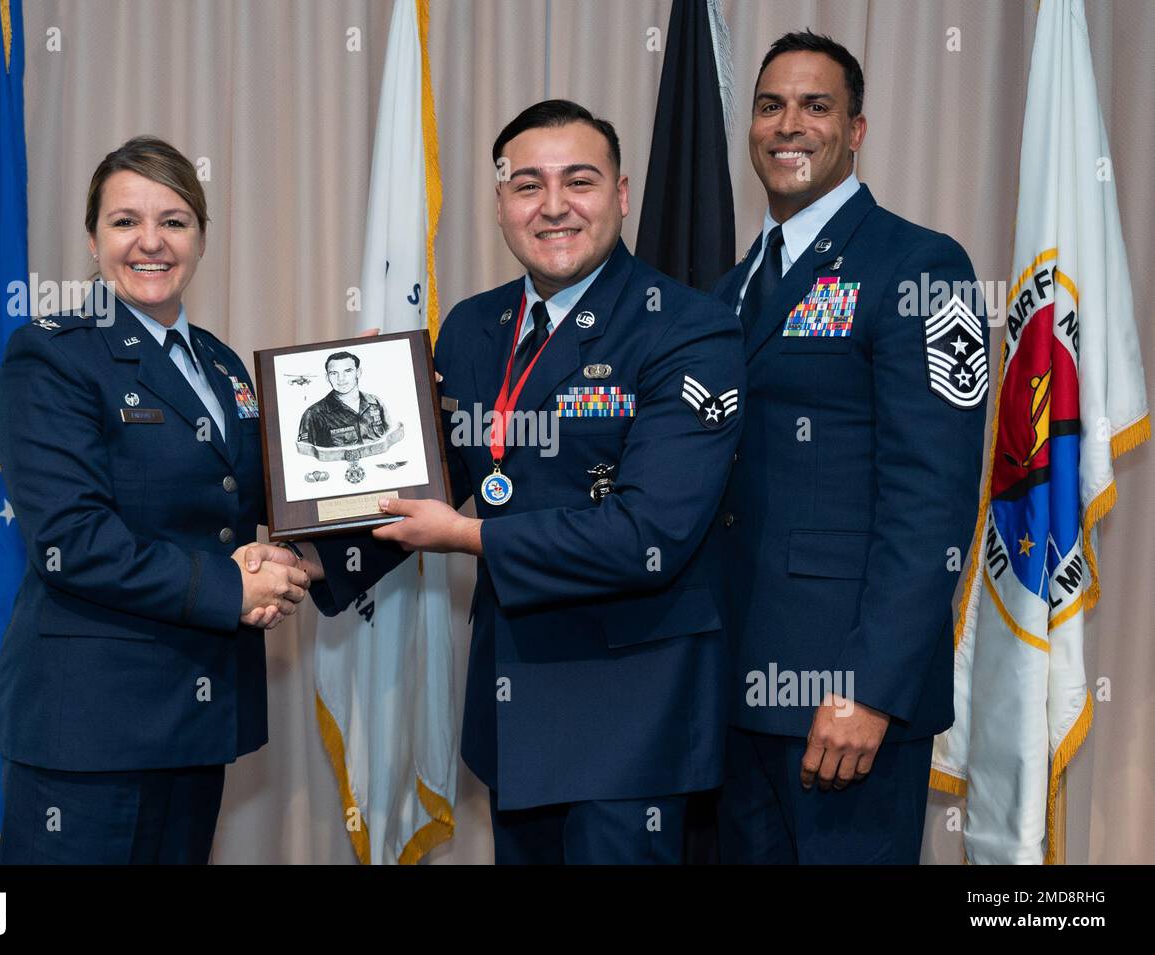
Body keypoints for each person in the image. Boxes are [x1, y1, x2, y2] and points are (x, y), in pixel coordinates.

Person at [294, 100, 745, 864]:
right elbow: (432, 484)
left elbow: (650, 537)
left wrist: (468, 537)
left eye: (581, 181)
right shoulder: (474, 325)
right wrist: (355, 461)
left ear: (623, 193)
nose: (555, 205)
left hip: (631, 708)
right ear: (500, 203)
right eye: (527, 184)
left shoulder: (686, 327)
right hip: (514, 696)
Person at [710, 32, 988, 863]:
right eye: (770, 105)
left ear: (857, 129)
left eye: (814, 105)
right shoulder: (731, 288)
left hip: (844, 700)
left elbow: (932, 497)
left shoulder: (919, 265)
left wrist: (869, 686)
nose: (787, 124)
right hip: (734, 693)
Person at [0, 136, 310, 864]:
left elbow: (258, 498)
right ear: (92, 238)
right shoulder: (54, 353)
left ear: (200, 237)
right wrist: (232, 584)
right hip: (92, 723)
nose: (150, 242)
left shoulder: (223, 364)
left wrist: (373, 414)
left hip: (197, 711)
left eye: (173, 220)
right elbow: (71, 538)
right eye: (125, 221)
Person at [296, 350, 402, 454]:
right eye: (334, 373)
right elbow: (306, 455)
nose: (341, 378)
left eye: (347, 371)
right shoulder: (314, 414)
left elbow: (390, 440)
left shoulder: (375, 403)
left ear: (358, 372)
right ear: (327, 377)